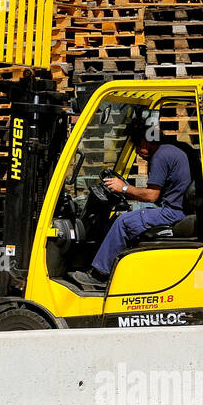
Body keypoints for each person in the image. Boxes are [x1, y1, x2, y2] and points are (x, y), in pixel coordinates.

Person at [71, 120, 191, 292]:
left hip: (171, 213)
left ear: (145, 142)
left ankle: (99, 275)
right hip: (174, 209)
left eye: (136, 146)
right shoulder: (170, 151)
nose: (137, 152)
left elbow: (151, 195)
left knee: (124, 222)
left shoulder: (161, 156)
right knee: (125, 216)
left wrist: (124, 188)